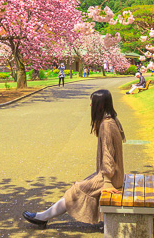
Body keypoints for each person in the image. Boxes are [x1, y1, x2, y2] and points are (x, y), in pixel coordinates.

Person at [22, 89, 125, 228]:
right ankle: (43, 216)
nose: (90, 106)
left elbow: (108, 155)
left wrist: (106, 182)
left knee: (77, 189)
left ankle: (43, 217)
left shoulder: (106, 125)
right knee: (82, 185)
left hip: (110, 177)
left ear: (100, 105)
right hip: (113, 174)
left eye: (92, 102)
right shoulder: (112, 119)